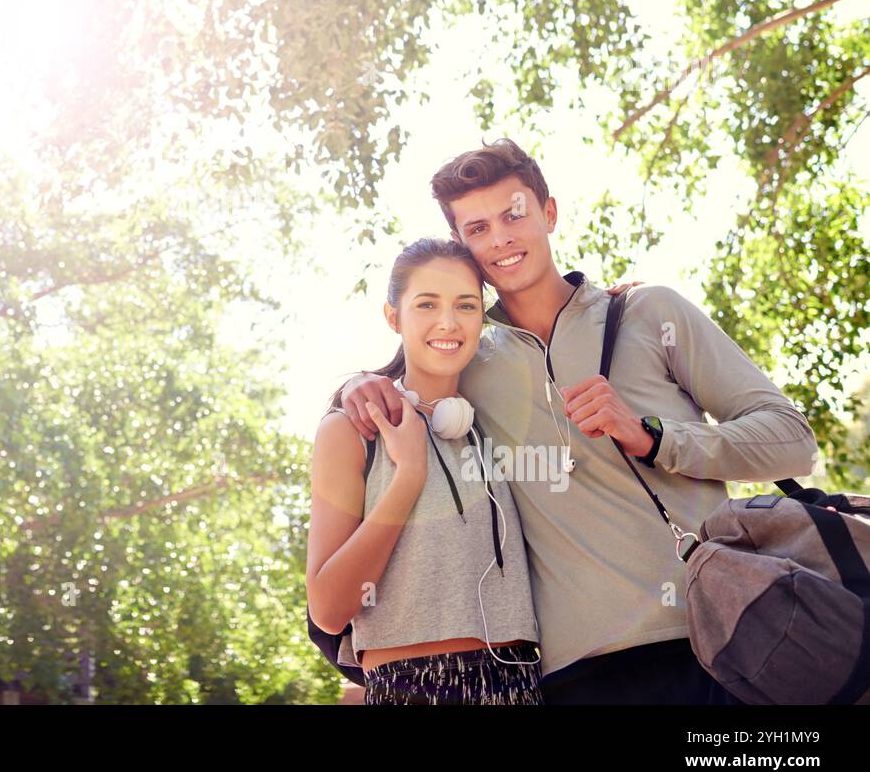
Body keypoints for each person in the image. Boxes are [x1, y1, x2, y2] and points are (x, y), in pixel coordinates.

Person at [339, 139, 819, 705]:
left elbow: (793, 441)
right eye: (478, 229)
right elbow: (412, 370)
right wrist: (355, 385)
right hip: (574, 679)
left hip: (717, 642)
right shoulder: (471, 360)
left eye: (513, 215)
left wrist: (654, 437)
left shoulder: (649, 313)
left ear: (548, 212)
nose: (500, 239)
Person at [307, 236, 545, 704]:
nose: (448, 322)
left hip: (521, 686)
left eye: (466, 305)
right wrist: (408, 475)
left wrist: (611, 300)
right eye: (427, 304)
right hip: (410, 686)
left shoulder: (493, 419)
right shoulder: (351, 430)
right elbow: (329, 610)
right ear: (393, 317)